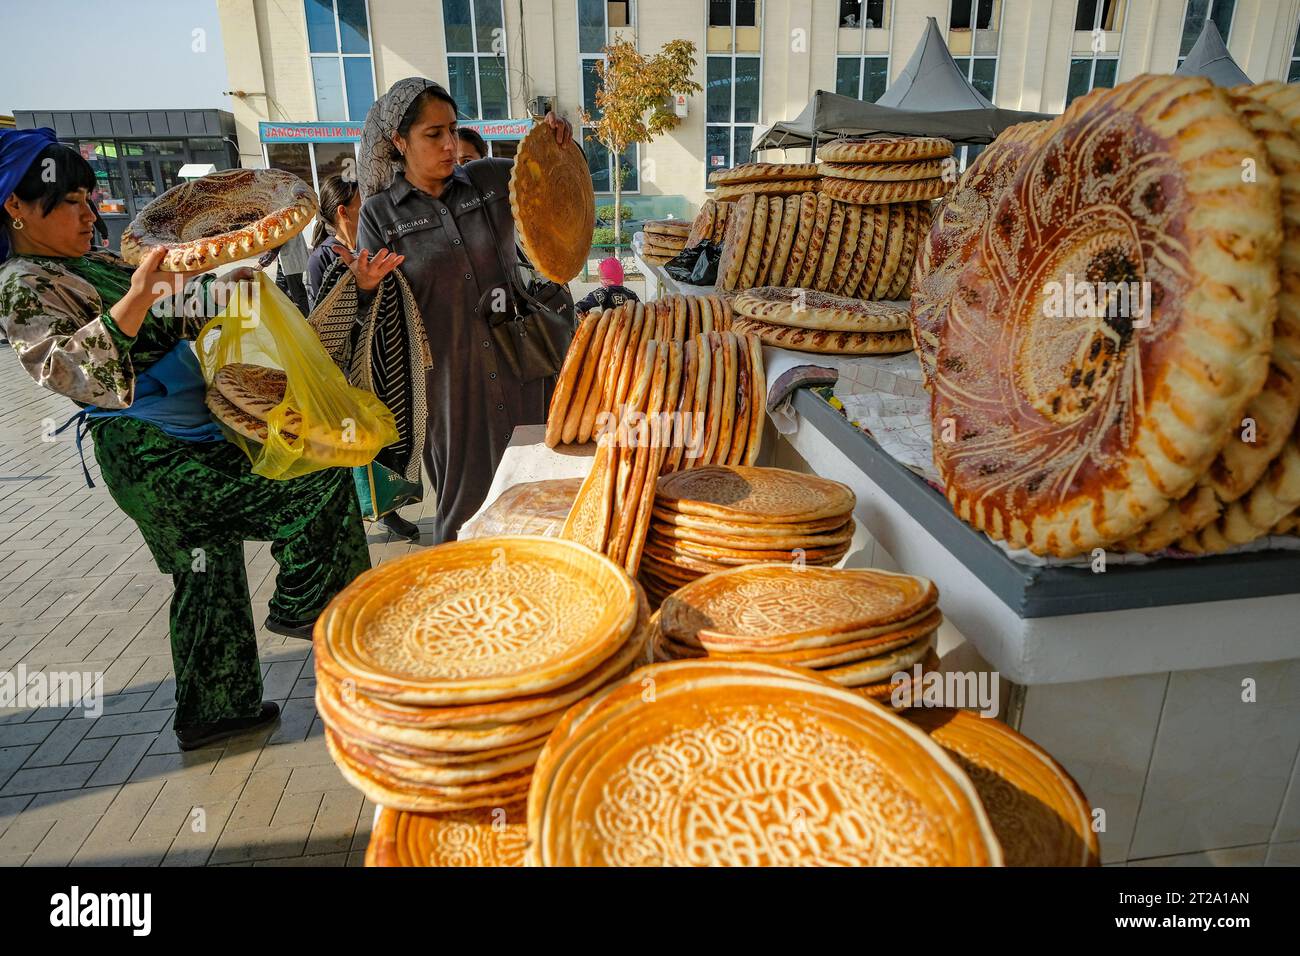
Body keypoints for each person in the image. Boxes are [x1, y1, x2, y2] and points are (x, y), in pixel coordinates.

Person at [0, 129, 371, 751]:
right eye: (72, 202)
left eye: (91, 199)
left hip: (189, 434)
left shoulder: (94, 263)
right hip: (150, 453)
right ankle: (315, 606)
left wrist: (237, 284)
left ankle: (218, 711)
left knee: (207, 567)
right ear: (16, 206)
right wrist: (140, 297)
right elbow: (66, 370)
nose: (91, 214)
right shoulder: (22, 283)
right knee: (315, 477)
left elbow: (184, 309)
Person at [310, 78, 574, 544]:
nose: (450, 146)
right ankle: (465, 601)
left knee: (537, 490)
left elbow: (555, 181)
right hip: (451, 387)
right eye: (434, 134)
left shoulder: (489, 180)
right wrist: (367, 287)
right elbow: (379, 316)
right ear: (399, 140)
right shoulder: (380, 214)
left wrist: (558, 136)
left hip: (524, 368)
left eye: (453, 130)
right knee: (464, 504)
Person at [306, 173, 421, 542]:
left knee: (382, 438)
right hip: (343, 372)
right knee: (353, 445)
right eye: (361, 207)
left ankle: (386, 508)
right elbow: (324, 321)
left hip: (380, 363)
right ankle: (362, 512)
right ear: (344, 211)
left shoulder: (366, 248)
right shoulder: (324, 257)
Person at [575, 256, 639, 314]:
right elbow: (641, 311)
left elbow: (580, 306)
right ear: (622, 276)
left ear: (604, 279)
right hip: (629, 326)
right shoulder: (631, 294)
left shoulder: (604, 292)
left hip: (606, 326)